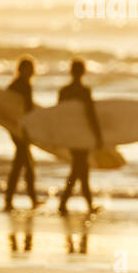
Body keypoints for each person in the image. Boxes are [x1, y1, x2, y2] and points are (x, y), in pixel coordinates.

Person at [0, 56, 43, 210]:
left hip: (18, 130)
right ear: (21, 70)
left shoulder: (16, 84)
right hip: (20, 130)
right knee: (26, 164)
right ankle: (24, 199)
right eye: (28, 69)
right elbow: (2, 107)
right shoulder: (22, 85)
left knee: (21, 164)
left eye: (31, 69)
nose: (30, 72)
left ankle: (12, 199)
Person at [57, 58, 103, 214]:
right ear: (83, 72)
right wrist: (98, 136)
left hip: (70, 135)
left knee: (80, 169)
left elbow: (59, 115)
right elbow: (90, 115)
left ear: (71, 71)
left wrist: (59, 136)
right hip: (82, 135)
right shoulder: (84, 91)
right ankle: (67, 203)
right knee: (80, 169)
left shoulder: (63, 91)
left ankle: (75, 203)